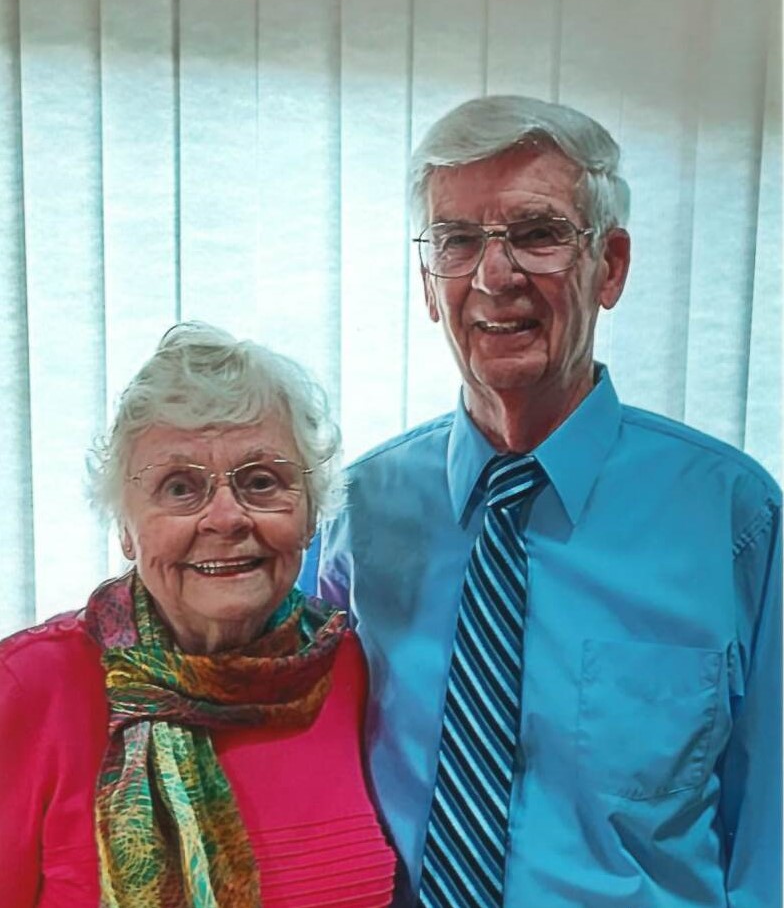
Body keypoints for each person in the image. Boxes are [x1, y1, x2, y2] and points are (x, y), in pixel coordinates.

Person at [307, 95, 782, 907]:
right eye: (457, 242)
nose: (496, 276)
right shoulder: (358, 512)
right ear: (429, 282)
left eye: (537, 234)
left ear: (612, 265)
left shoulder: (735, 522)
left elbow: (771, 844)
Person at [0, 322, 396, 908]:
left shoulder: (351, 672)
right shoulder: (28, 688)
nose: (226, 518)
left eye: (262, 481)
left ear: (312, 515)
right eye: (181, 489)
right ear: (125, 528)